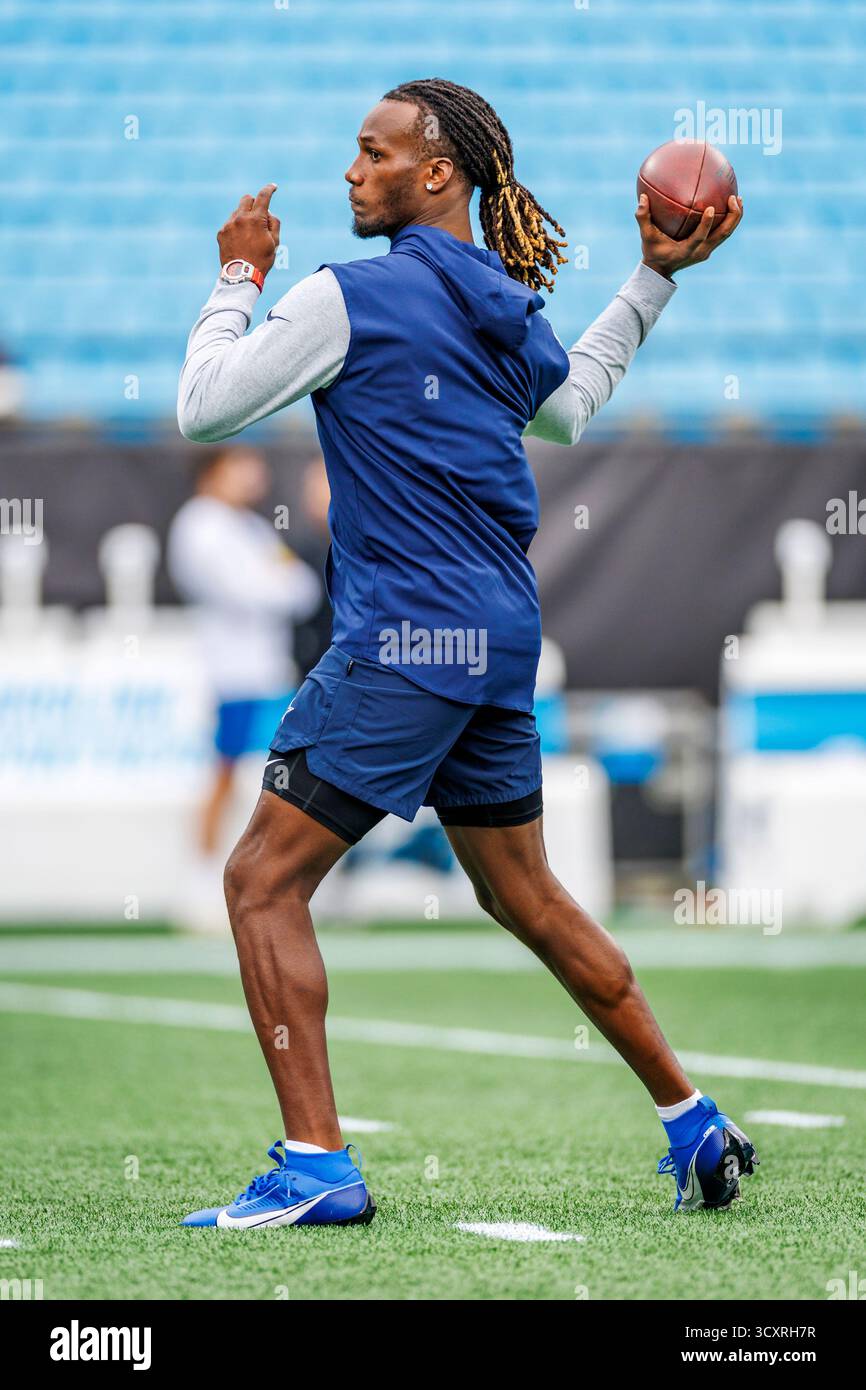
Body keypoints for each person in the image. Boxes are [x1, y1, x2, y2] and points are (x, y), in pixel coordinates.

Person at [176, 79, 755, 1229]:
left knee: (258, 881)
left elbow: (203, 408)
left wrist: (239, 270)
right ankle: (690, 1116)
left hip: (402, 639)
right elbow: (571, 407)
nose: (350, 170)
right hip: (496, 638)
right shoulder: (502, 299)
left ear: (435, 172)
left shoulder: (344, 295)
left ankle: (315, 1165)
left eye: (370, 151)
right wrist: (652, 280)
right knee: (523, 891)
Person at [167, 446, 320, 861]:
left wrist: (275, 586)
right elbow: (251, 591)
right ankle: (204, 867)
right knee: (226, 770)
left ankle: (275, 866)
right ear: (212, 474)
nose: (253, 474)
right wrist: (275, 585)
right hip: (233, 672)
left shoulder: (251, 526)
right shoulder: (200, 525)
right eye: (240, 466)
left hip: (270, 668)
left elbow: (303, 589)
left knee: (280, 775)